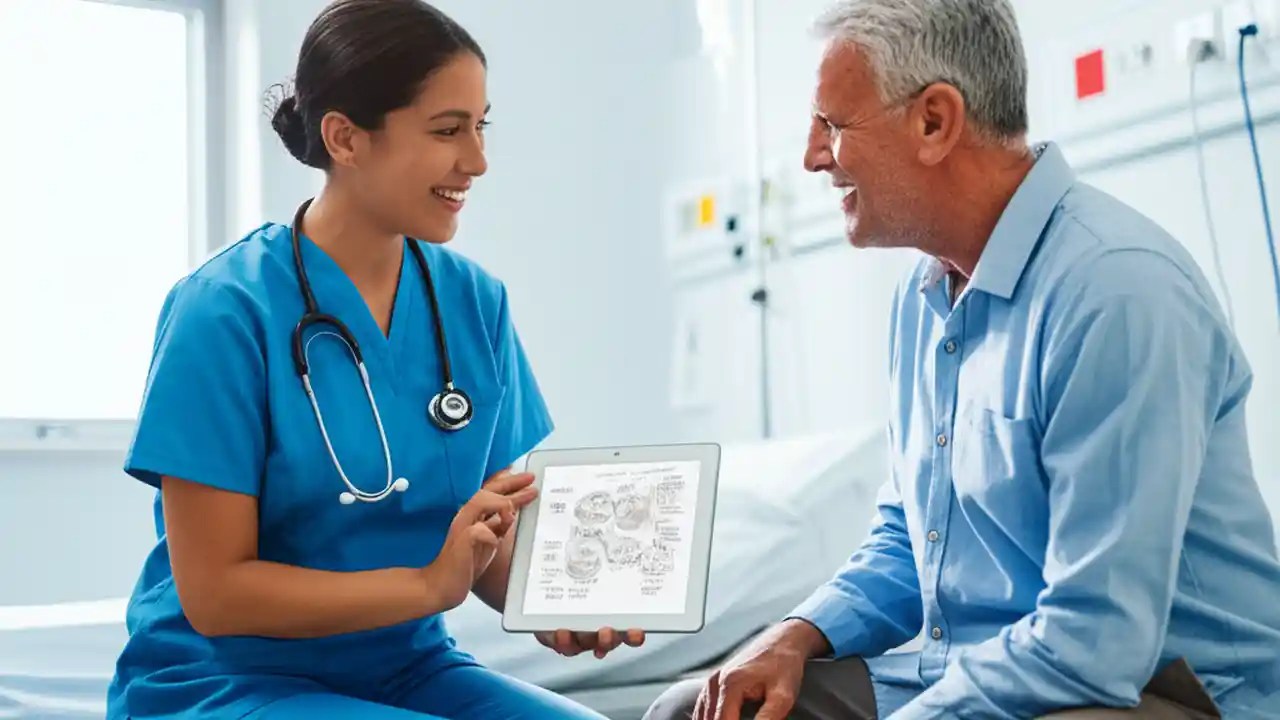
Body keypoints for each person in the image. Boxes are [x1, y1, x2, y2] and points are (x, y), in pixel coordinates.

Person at [645, 0, 1280, 718]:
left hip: (1157, 692)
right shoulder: (923, 296)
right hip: (983, 669)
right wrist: (797, 635)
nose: (812, 156)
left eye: (832, 125)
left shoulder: (1116, 293)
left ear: (935, 122)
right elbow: (911, 539)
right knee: (692, 710)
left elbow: (1097, 640)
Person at [105, 2, 642, 718]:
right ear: (345, 138)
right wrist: (427, 588)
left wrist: (560, 603)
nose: (477, 161)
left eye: (482, 127)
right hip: (229, 678)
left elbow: (487, 533)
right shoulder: (222, 312)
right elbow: (215, 595)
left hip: (409, 670)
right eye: (448, 130)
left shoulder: (474, 302)